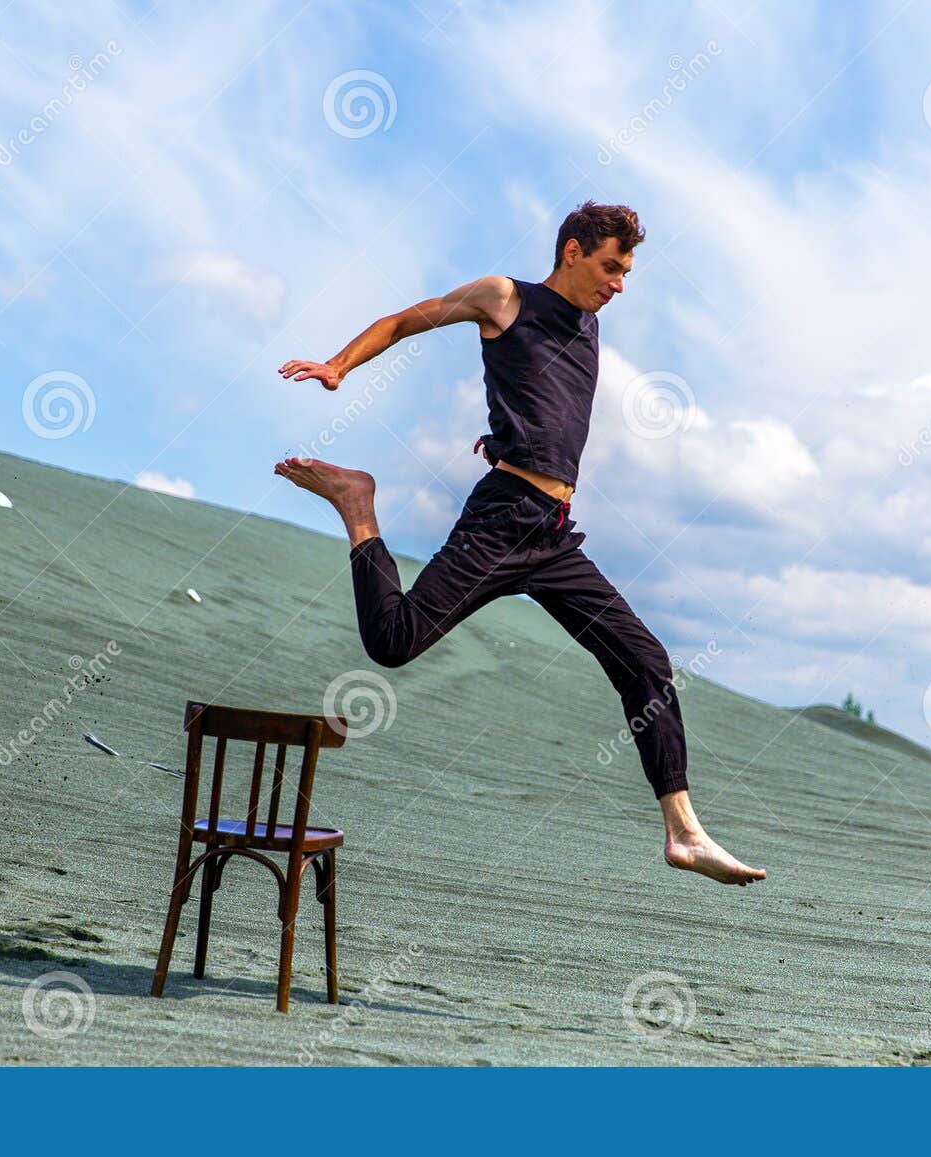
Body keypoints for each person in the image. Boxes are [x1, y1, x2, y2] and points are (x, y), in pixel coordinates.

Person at [276, 201, 765, 886]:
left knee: (647, 662)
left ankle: (684, 832)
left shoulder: (590, 326)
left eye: (625, 271)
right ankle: (358, 503)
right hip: (501, 520)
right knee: (392, 641)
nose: (619, 283)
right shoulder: (504, 298)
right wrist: (339, 365)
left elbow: (544, 404)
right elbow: (404, 320)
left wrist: (504, 434)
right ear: (572, 250)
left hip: (554, 536)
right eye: (610, 266)